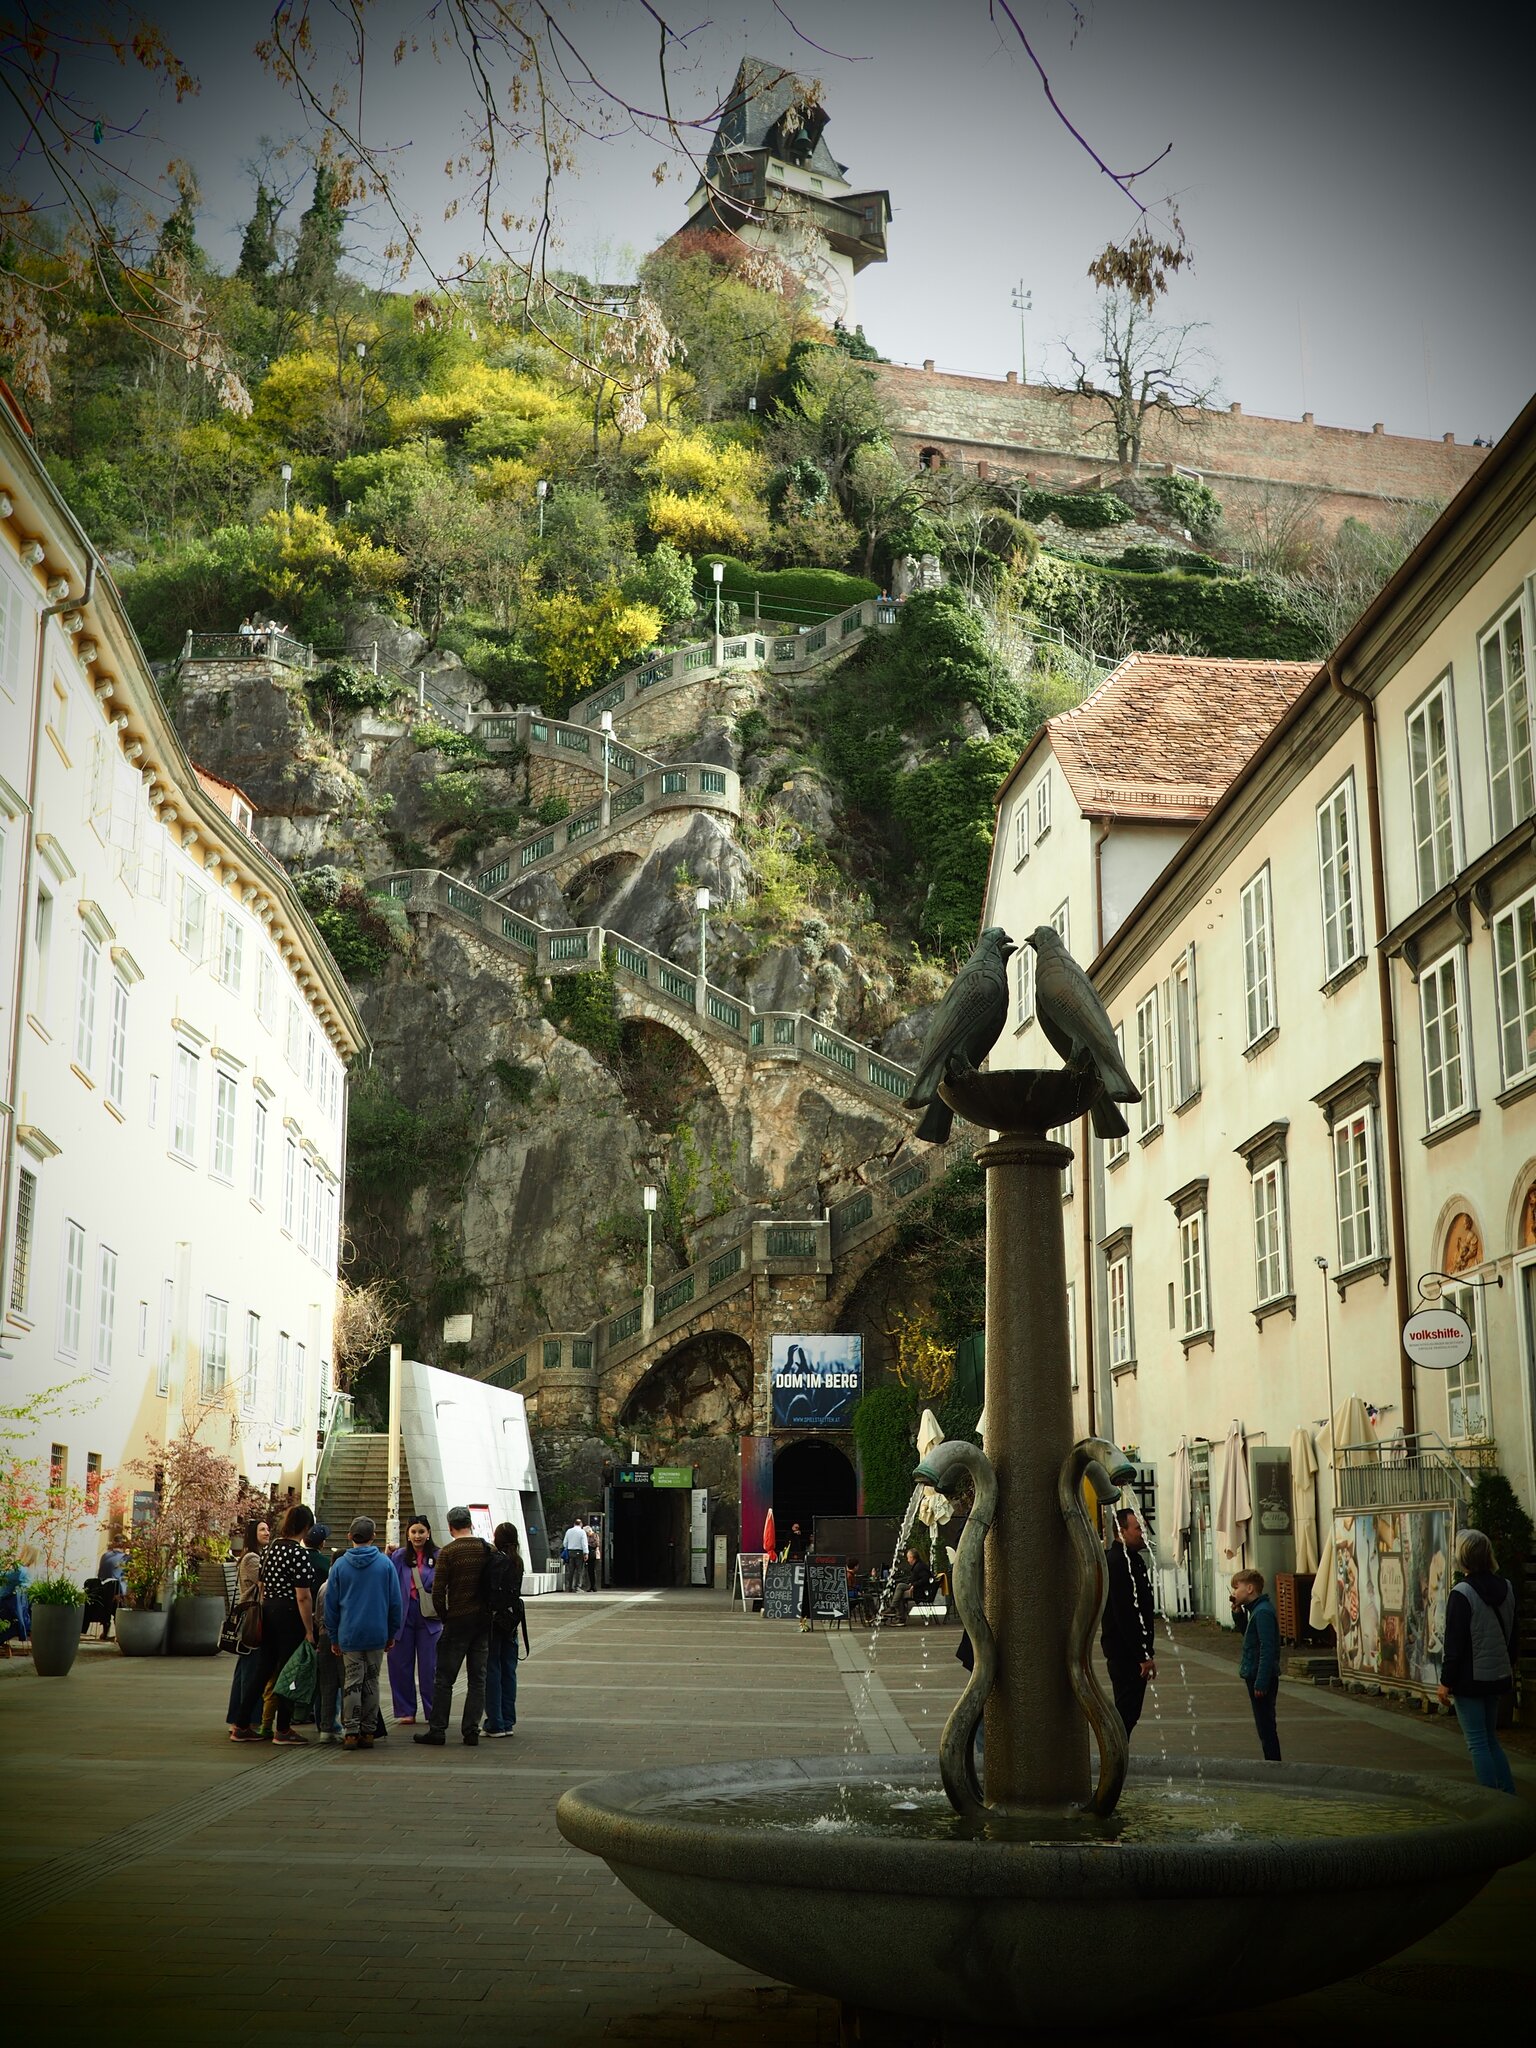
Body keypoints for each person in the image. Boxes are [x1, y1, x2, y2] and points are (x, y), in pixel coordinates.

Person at [1436, 1527, 1518, 1794]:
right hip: (1496, 1675)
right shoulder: (1506, 1587)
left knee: (1477, 1743)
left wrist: (1445, 1682)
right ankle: (1507, 1793)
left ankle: (1490, 1799)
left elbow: (1455, 1643)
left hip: (1469, 1679)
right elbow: (1512, 1635)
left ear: (1463, 1558)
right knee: (1491, 1739)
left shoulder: (1461, 1593)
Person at [231, 1503, 318, 1746]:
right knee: (290, 1671)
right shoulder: (298, 1553)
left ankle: (241, 1724)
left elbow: (262, 1584)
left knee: (262, 1671)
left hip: (268, 1611)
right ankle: (283, 1728)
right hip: (290, 1615)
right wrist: (309, 1629)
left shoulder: (271, 1549)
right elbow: (303, 1595)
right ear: (306, 1527)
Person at [415, 1506, 491, 1747]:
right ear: (471, 1524)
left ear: (450, 1527)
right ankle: (471, 1730)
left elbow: (438, 1593)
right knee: (477, 1678)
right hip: (483, 1621)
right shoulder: (487, 1549)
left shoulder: (448, 1552)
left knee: (444, 1678)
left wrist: (445, 1616)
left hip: (457, 1621)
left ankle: (438, 1729)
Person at [325, 1517, 402, 1752]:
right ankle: (369, 1731)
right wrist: (391, 1632)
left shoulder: (339, 1566)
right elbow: (395, 1603)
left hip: (349, 1633)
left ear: (350, 1536)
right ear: (374, 1537)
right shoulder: (385, 1564)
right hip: (377, 1632)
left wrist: (333, 1636)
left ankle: (351, 1731)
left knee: (352, 1682)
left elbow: (331, 1604)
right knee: (372, 1682)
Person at [1100, 1508, 1157, 1739]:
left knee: (1129, 1713)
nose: (1143, 1532)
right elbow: (1125, 1613)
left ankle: (1116, 1757)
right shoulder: (1118, 1562)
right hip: (1125, 1654)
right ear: (1121, 1531)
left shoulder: (1130, 1559)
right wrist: (1141, 1655)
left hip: (1128, 1652)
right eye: (1137, 1528)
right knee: (1126, 1713)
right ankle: (1114, 1759)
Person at [389, 1518, 441, 1724]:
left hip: (430, 1616)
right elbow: (390, 1583)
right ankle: (405, 1710)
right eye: (413, 1532)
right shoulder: (398, 1556)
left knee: (430, 1667)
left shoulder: (439, 1556)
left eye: (421, 1531)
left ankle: (432, 1710)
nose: (417, 1536)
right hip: (403, 1614)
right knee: (400, 1664)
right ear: (407, 1534)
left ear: (428, 1532)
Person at [1231, 1569, 1281, 1762]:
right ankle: (1271, 1762)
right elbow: (1250, 1637)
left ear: (1250, 1588)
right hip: (1255, 1674)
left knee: (1266, 1726)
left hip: (1260, 1677)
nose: (1234, 1592)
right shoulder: (1256, 1611)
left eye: (1237, 1587)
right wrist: (1238, 1615)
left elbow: (1267, 1648)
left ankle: (1273, 1764)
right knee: (1263, 1725)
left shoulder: (1263, 1613)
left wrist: (1261, 1682)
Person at [225, 1516, 271, 1727]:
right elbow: (265, 1583)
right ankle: (247, 1721)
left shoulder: (254, 1555)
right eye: (262, 1530)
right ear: (253, 1534)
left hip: (250, 1616)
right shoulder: (252, 1558)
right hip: (253, 1618)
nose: (267, 1533)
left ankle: (237, 1719)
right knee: (252, 1670)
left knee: (245, 1668)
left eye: (268, 1529)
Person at [483, 1522, 525, 1740]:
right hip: (511, 1621)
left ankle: (495, 1722)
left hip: (493, 1621)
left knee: (492, 1669)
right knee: (509, 1670)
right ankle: (508, 1720)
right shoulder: (518, 1561)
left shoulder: (495, 1560)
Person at [305, 1524, 337, 1738]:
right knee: (333, 1681)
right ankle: (330, 1724)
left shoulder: (299, 1559)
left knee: (315, 1674)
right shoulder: (324, 1566)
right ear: (322, 1543)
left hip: (305, 1620)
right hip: (326, 1630)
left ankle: (308, 1714)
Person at [0, 1544, 36, 1655]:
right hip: (17, 1609)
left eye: (22, 1551)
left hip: (6, 1605)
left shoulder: (20, 1571)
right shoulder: (29, 1572)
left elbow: (2, 1577)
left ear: (26, 1554)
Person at [562, 1517, 588, 1593]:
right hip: (579, 1552)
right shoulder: (582, 1532)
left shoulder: (569, 1531)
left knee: (570, 1570)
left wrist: (567, 1548)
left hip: (570, 1552)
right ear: (581, 1524)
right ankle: (577, 1587)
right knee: (579, 1570)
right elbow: (584, 1543)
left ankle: (569, 1587)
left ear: (574, 1524)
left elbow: (565, 1543)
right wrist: (586, 1553)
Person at [583, 1520, 600, 1594]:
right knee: (589, 1571)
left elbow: (596, 1544)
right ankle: (591, 1586)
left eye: (587, 1533)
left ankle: (593, 1586)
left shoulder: (595, 1535)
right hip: (589, 1553)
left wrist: (588, 1544)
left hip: (593, 1554)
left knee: (592, 1570)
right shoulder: (587, 1536)